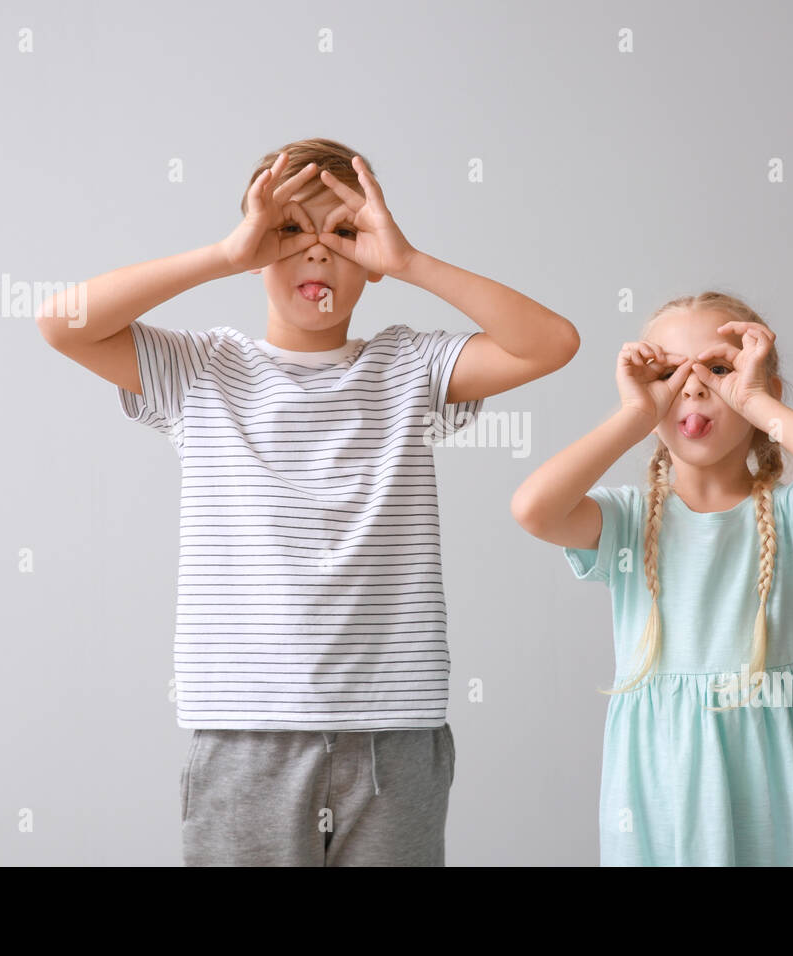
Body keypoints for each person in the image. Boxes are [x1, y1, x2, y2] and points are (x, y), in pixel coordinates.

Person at [35, 138, 579, 865]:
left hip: (395, 737)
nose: (317, 252)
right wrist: (225, 253)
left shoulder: (410, 367)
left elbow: (551, 343)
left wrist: (410, 262)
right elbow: (59, 320)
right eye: (289, 230)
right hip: (243, 736)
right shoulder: (201, 370)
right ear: (258, 246)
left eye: (344, 233)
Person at [510, 291, 793, 865]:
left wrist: (757, 401)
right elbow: (533, 508)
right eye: (668, 371)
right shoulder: (627, 521)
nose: (692, 386)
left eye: (717, 368)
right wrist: (635, 415)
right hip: (665, 787)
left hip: (781, 781)